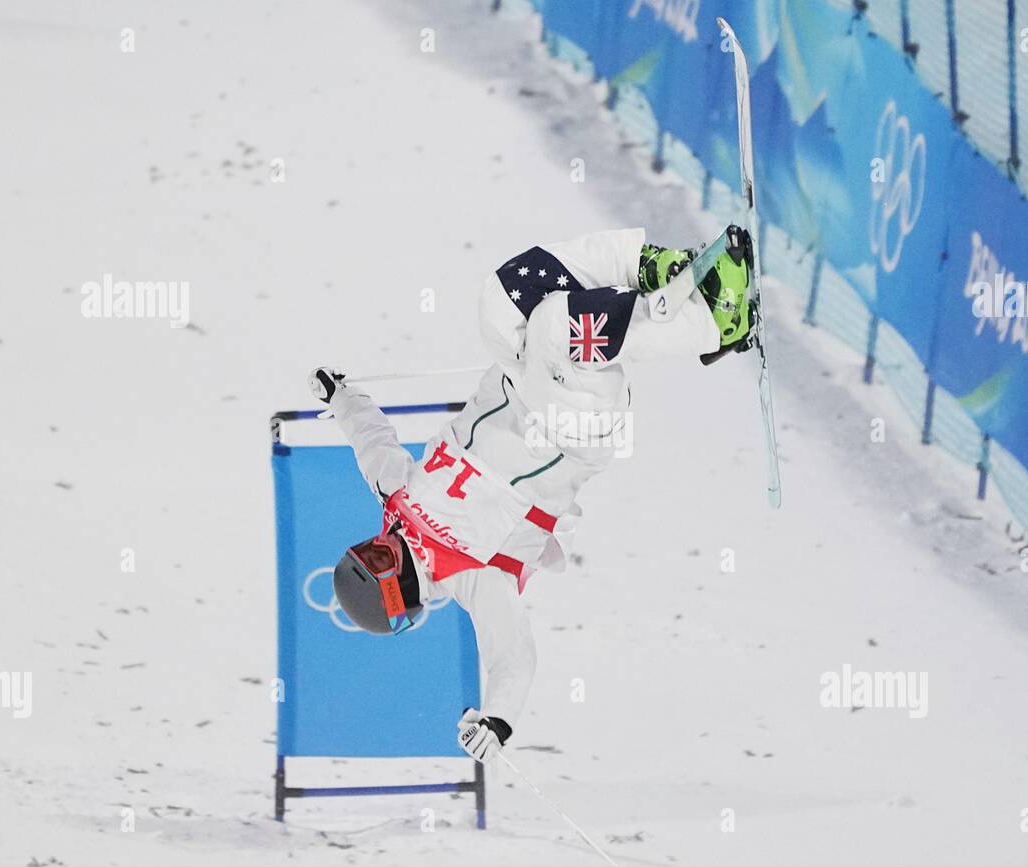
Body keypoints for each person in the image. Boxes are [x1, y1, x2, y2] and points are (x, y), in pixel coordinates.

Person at [311, 224, 754, 762]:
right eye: (381, 560)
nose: (385, 546)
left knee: (501, 300)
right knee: (551, 327)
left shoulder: (395, 499)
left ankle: (646, 265)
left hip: (519, 382)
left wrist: (340, 397)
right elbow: (512, 655)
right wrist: (498, 721)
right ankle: (712, 325)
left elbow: (370, 439)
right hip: (571, 433)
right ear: (400, 592)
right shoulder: (470, 576)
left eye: (370, 548)